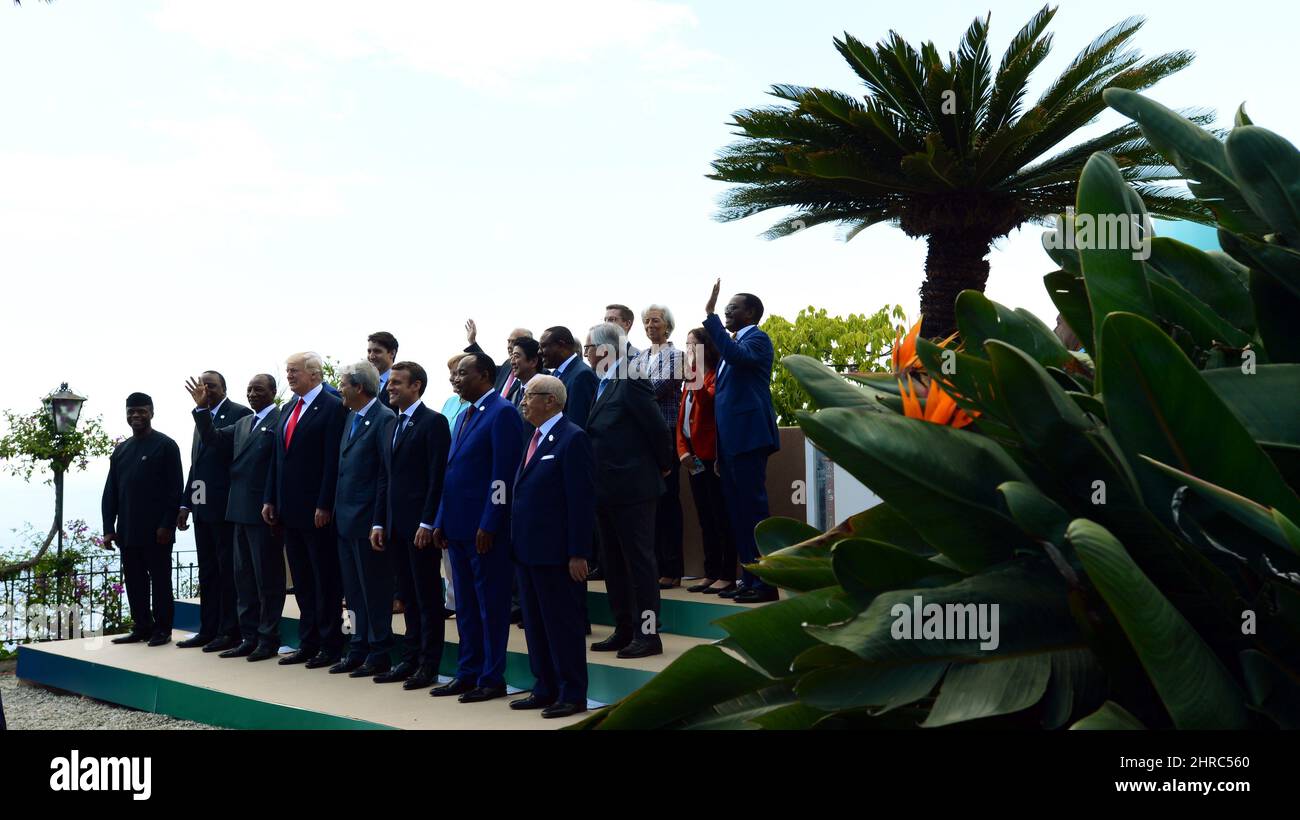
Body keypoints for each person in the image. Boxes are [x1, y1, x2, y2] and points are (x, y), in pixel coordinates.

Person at [430, 353, 525, 702]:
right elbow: (452, 473)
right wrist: (440, 519)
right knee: (466, 608)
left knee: (490, 607)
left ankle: (491, 677)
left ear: (485, 375)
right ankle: (467, 672)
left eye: (462, 373)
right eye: (454, 374)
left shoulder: (502, 413)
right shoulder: (465, 414)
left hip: (485, 533)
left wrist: (490, 521)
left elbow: (503, 475)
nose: (455, 379)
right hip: (456, 529)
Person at [584, 323, 674, 658]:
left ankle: (648, 634)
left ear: (606, 349)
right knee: (613, 564)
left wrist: (663, 465)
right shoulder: (603, 384)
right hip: (605, 489)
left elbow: (656, 428)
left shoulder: (631, 378)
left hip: (633, 488)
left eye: (590, 347)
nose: (587, 354)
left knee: (639, 564)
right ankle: (624, 629)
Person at [509, 375, 595, 719]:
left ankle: (572, 693)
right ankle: (544, 687)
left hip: (558, 555)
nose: (524, 400)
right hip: (528, 552)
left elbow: (581, 501)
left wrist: (579, 552)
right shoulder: (532, 437)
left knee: (563, 626)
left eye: (530, 395)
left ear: (551, 401)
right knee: (536, 625)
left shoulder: (573, 439)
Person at [188, 374, 284, 660]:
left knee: (267, 579)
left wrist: (272, 500)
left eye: (259, 389)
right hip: (237, 510)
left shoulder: (279, 420)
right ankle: (249, 635)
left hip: (263, 511)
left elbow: (278, 465)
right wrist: (202, 410)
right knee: (243, 578)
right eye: (250, 389)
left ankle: (268, 638)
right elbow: (213, 440)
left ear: (273, 392)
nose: (253, 394)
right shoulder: (244, 423)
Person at [263, 351, 349, 667]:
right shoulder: (288, 409)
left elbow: (331, 462)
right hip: (289, 510)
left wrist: (325, 503)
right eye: (287, 371)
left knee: (324, 579)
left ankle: (330, 644)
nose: (289, 376)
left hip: (317, 511)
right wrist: (270, 498)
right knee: (301, 581)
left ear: (314, 374)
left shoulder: (332, 407)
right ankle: (308, 641)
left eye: (294, 370)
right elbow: (278, 459)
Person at [372, 362, 452, 689]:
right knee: (406, 595)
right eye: (389, 382)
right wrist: (378, 521)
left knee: (427, 597)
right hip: (394, 527)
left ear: (416, 386)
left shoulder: (433, 422)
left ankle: (428, 664)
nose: (390, 387)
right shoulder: (391, 425)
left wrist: (428, 521)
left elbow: (437, 478)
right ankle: (409, 658)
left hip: (420, 528)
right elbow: (383, 479)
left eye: (397, 383)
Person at [703, 281, 781, 604]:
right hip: (732, 444)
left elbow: (735, 355)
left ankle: (765, 583)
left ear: (750, 313)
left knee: (753, 512)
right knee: (738, 514)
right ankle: (748, 578)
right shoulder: (733, 344)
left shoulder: (757, 339)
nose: (726, 311)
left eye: (733, 308)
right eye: (725, 309)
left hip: (750, 439)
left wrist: (710, 317)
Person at [176, 371, 252, 653]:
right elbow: (197, 465)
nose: (206, 389)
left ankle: (229, 630)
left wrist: (202, 412)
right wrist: (186, 504)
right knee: (207, 572)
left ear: (223, 388)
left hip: (227, 508)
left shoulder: (240, 413)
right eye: (203, 385)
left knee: (226, 571)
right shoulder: (200, 416)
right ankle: (207, 629)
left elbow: (222, 451)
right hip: (203, 508)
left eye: (212, 385)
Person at [101, 393, 184, 646]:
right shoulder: (121, 450)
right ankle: (141, 626)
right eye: (131, 412)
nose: (136, 416)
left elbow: (175, 489)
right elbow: (111, 491)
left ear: (152, 412)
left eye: (141, 411)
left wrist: (167, 524)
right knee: (134, 581)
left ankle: (162, 629)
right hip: (127, 530)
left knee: (160, 581)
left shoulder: (166, 445)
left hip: (157, 531)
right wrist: (108, 528)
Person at [333, 361, 397, 678]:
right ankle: (356, 646)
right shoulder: (351, 417)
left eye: (343, 384)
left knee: (374, 591)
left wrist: (378, 521)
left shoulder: (384, 419)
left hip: (367, 521)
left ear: (359, 387)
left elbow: (385, 475)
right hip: (344, 520)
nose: (339, 389)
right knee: (353, 592)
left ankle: (379, 650)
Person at [678, 329, 736, 594]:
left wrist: (697, 371)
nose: (688, 348)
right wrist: (682, 451)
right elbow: (682, 420)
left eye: (693, 344)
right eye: (687, 344)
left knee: (720, 515)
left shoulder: (715, 375)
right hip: (693, 457)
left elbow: (708, 403)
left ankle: (726, 573)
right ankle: (710, 571)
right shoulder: (691, 376)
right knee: (704, 517)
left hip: (712, 456)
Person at [632, 305, 685, 589]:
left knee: (668, 501)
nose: (650, 325)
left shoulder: (677, 356)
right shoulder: (640, 356)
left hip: (665, 433)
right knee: (649, 503)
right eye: (646, 321)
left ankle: (672, 568)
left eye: (655, 320)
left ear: (668, 325)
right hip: (642, 437)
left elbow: (655, 388)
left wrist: (632, 394)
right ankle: (654, 565)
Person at [539, 326, 597, 430]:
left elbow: (577, 425)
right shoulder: (556, 374)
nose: (539, 352)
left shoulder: (582, 376)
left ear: (561, 345)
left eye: (544, 346)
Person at [465, 319, 532, 394]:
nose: (509, 346)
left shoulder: (534, 373)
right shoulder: (507, 365)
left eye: (514, 342)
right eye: (508, 341)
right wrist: (473, 342)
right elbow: (488, 366)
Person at [506, 337, 547, 411]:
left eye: (516, 356)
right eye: (512, 357)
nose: (512, 362)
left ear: (533, 361)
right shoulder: (515, 392)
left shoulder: (544, 393)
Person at [367, 331, 400, 410]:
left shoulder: (401, 384)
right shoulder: (362, 383)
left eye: (377, 351)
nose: (371, 356)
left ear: (392, 353)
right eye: (369, 351)